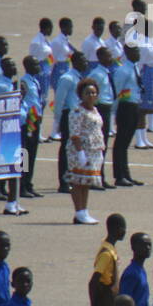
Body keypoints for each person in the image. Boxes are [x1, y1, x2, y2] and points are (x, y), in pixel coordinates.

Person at [64, 77, 104, 224]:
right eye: (88, 93)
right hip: (80, 150)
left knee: (86, 182)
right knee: (78, 181)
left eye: (94, 93)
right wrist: (80, 152)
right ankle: (79, 211)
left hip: (93, 150)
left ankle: (84, 211)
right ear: (81, 95)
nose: (91, 96)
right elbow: (75, 134)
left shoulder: (95, 110)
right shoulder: (77, 111)